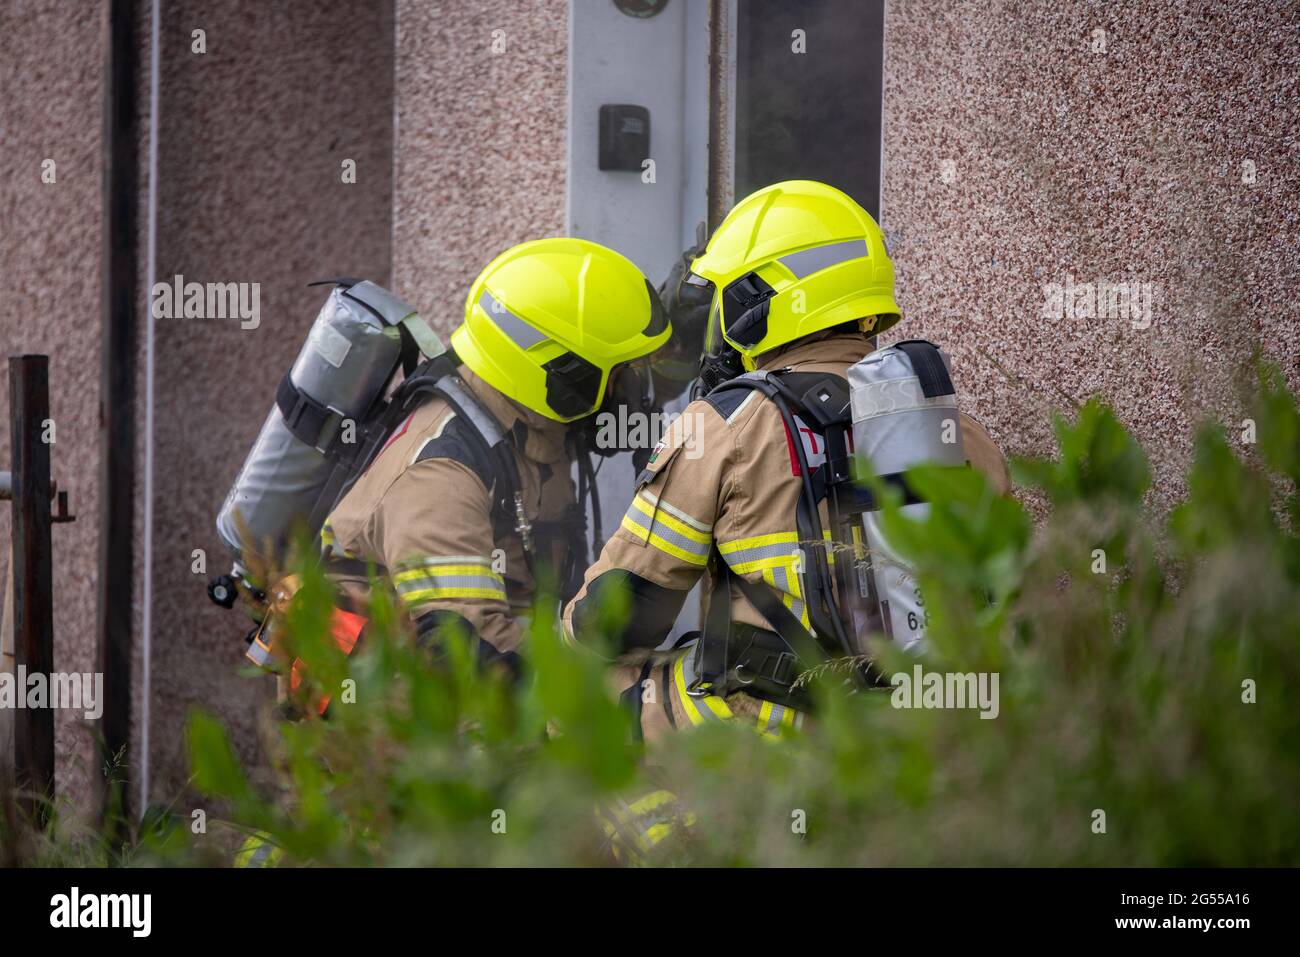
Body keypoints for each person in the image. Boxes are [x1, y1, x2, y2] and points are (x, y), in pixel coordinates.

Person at [562, 180, 1010, 748]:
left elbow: (623, 612)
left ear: (755, 304)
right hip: (931, 731)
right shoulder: (960, 436)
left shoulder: (722, 426)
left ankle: (656, 836)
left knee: (581, 691)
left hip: (774, 730)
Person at [311, 237, 671, 679]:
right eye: (621, 377)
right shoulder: (443, 478)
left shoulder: (527, 416)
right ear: (562, 381)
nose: (632, 396)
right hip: (397, 724)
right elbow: (470, 658)